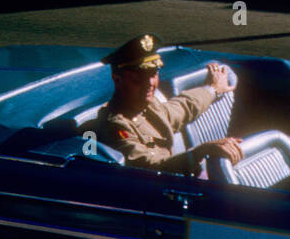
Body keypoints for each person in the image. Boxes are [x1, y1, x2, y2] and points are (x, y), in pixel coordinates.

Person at [95, 35, 242, 173]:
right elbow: (151, 167)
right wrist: (201, 152)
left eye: (153, 74)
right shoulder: (116, 126)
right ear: (118, 80)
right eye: (138, 79)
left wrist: (213, 89)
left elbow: (183, 107)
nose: (150, 84)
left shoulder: (148, 105)